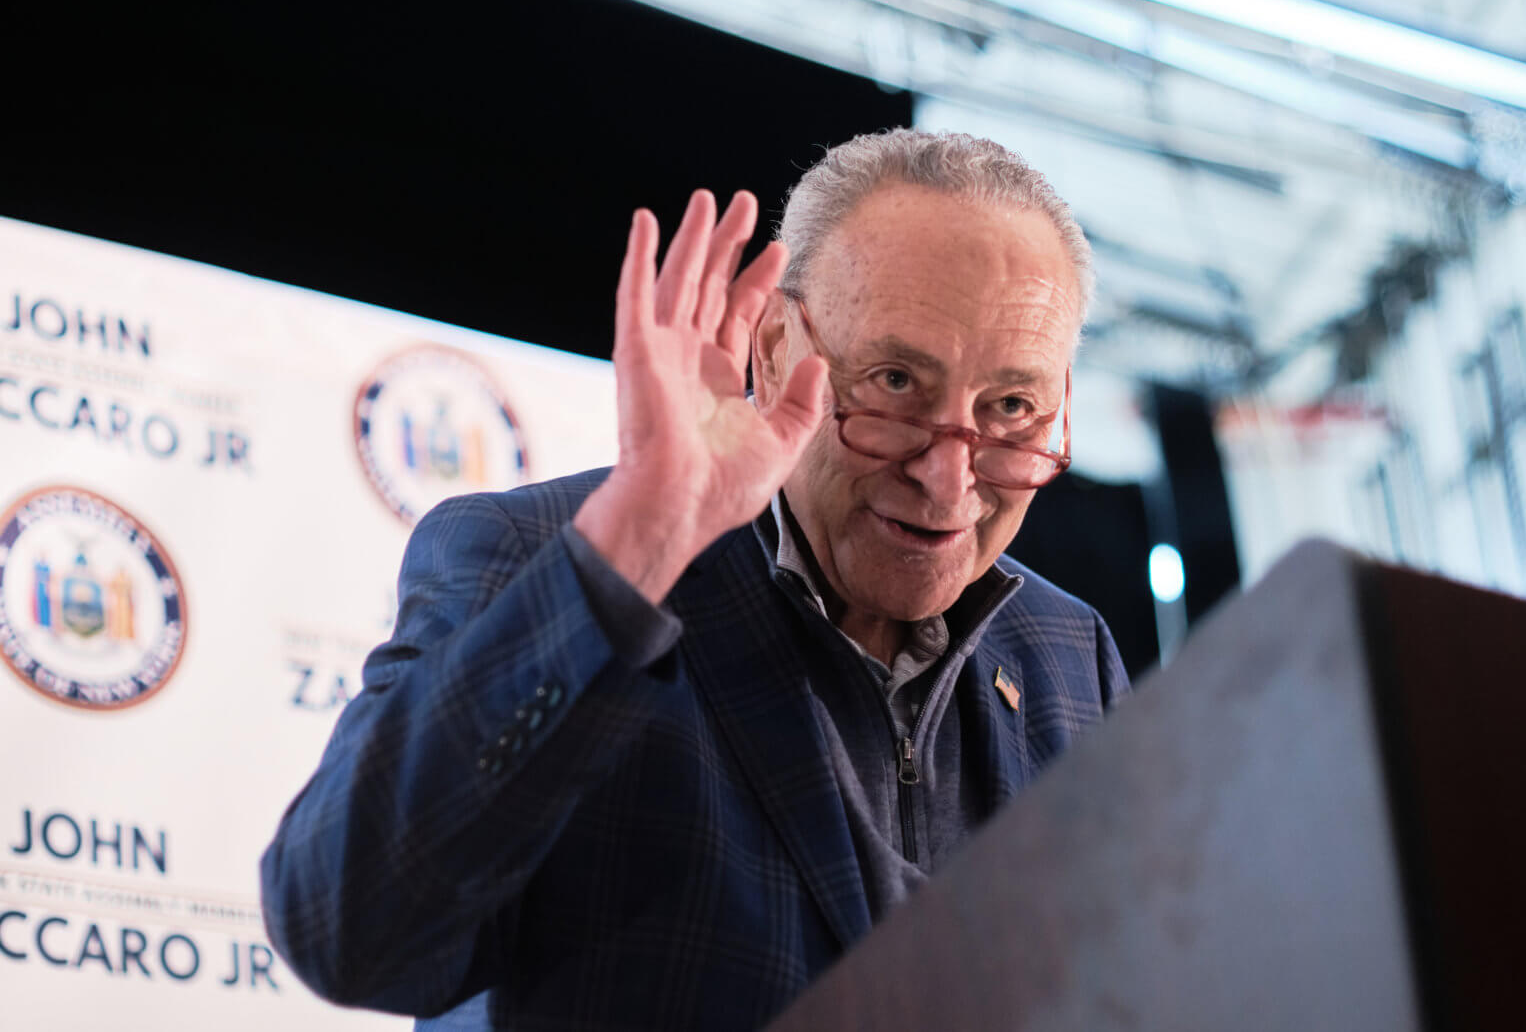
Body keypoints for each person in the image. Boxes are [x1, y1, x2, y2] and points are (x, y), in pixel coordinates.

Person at [260, 128, 1129, 1030]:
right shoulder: (548, 558)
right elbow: (345, 930)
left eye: (1012, 408)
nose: (949, 477)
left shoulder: (1070, 655)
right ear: (777, 347)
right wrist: (631, 552)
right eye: (896, 380)